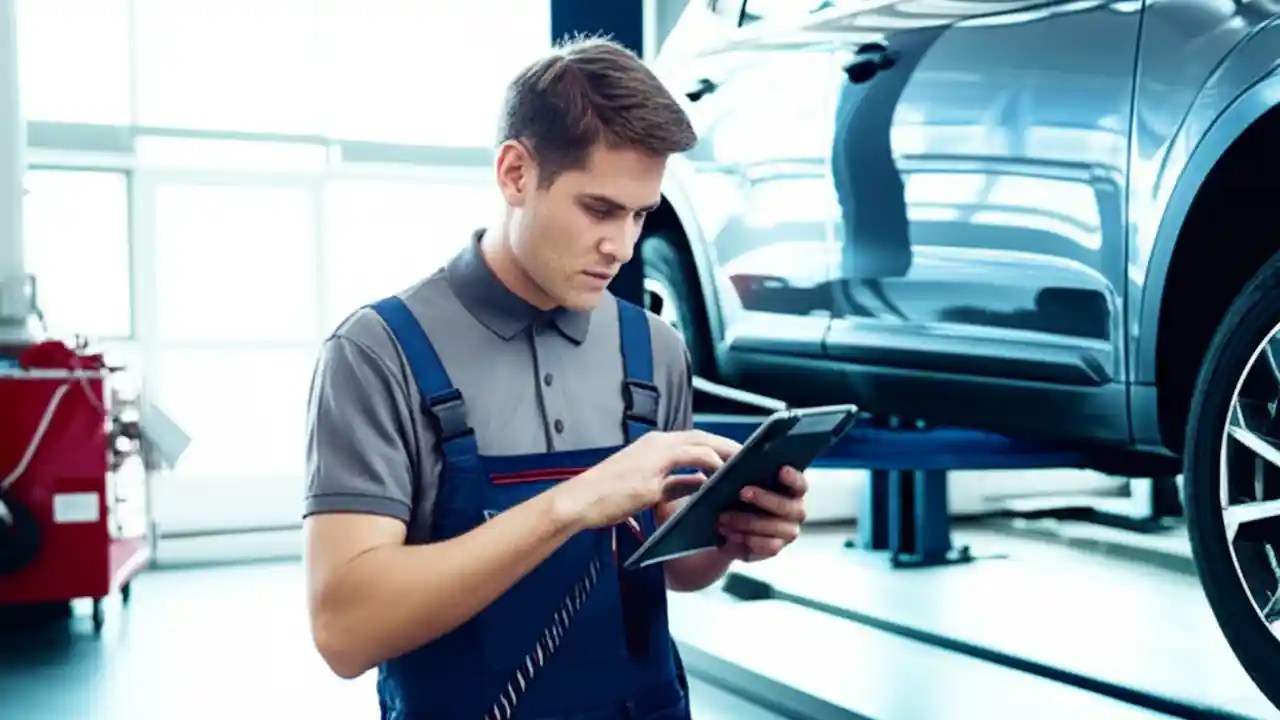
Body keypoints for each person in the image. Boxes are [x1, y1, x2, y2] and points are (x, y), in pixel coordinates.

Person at [302, 36, 812, 720]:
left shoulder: (653, 348)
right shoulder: (376, 354)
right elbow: (346, 631)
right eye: (598, 209)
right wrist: (574, 503)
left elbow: (676, 572)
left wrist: (732, 536)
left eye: (640, 215)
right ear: (515, 173)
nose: (623, 245)